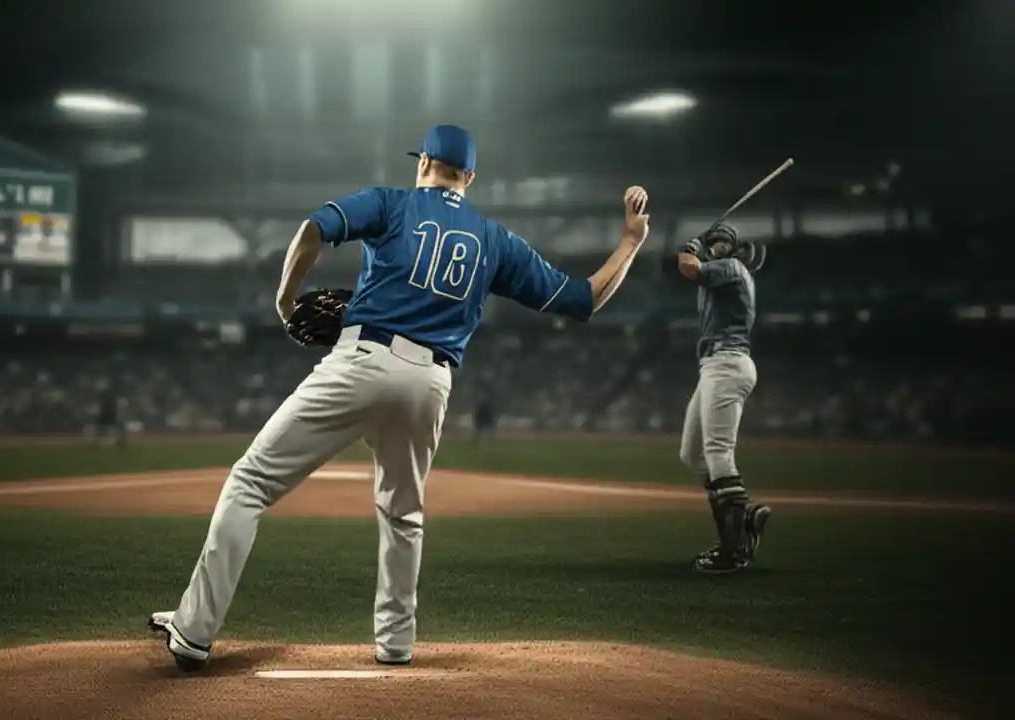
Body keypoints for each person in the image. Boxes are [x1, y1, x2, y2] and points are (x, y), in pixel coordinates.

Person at [149, 124, 651, 671]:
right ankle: (395, 645)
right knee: (403, 514)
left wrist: (285, 301)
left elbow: (313, 229)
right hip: (430, 383)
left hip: (363, 359)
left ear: (424, 163)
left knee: (249, 483)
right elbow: (582, 299)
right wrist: (630, 242)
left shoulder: (391, 204)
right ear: (470, 178)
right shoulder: (494, 240)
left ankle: (194, 631)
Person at [675, 223, 770, 574]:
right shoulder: (722, 274)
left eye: (721, 242)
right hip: (715, 365)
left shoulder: (732, 269)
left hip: (728, 362)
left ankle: (735, 550)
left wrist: (691, 245)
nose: (714, 246)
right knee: (692, 453)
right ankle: (742, 519)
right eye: (712, 241)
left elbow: (688, 267)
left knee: (717, 452)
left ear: (732, 248)